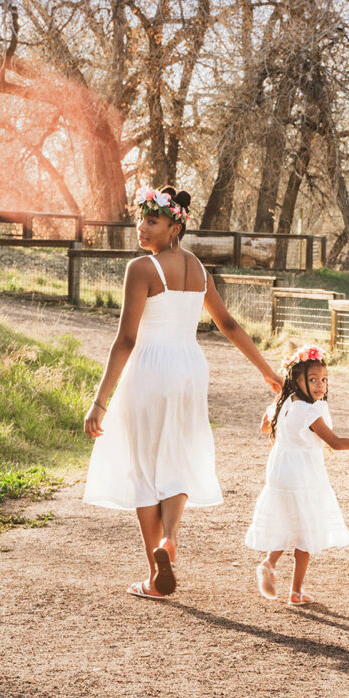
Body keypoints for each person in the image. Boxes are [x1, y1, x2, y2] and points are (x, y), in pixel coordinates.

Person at [83, 185, 282, 600]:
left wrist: (100, 401)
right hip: (190, 370)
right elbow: (227, 323)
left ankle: (155, 575)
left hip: (151, 368)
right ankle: (169, 538)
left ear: (175, 226)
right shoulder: (199, 270)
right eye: (141, 218)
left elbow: (125, 340)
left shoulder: (142, 269)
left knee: (141, 465)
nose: (142, 227)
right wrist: (267, 372)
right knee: (176, 457)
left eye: (152, 220)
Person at [245, 345, 349, 604]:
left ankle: (270, 564)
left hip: (280, 469)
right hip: (303, 474)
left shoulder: (284, 404)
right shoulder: (310, 411)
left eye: (324, 380)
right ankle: (295, 591)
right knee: (305, 529)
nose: (320, 386)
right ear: (297, 380)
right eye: (313, 379)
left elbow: (264, 426)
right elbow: (335, 443)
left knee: (288, 521)